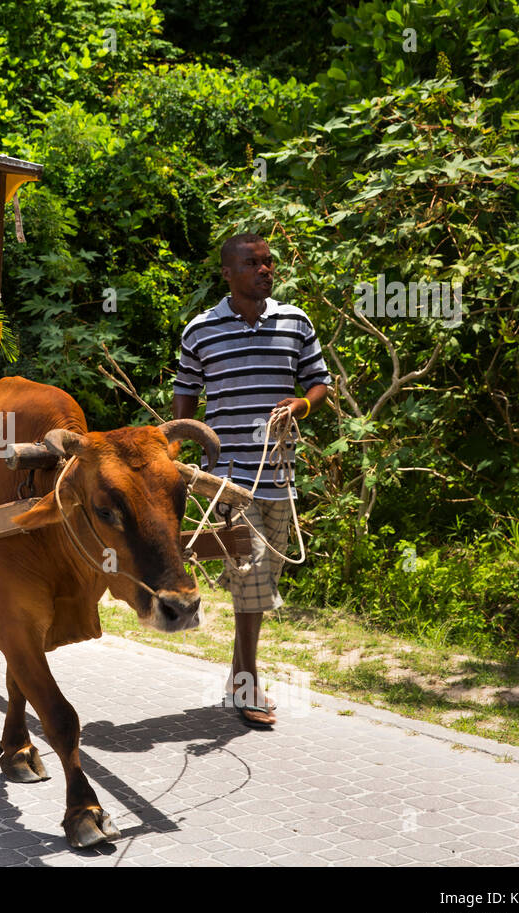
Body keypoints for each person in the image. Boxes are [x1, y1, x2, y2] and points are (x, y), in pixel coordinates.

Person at [172, 232, 331, 729]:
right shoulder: (200, 331)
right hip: (229, 481)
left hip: (280, 475)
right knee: (252, 580)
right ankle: (247, 685)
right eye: (253, 263)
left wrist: (303, 403)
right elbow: (184, 399)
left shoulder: (295, 322)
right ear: (227, 273)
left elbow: (319, 381)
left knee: (264, 584)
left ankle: (238, 678)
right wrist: (176, 459)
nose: (265, 270)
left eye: (268, 263)